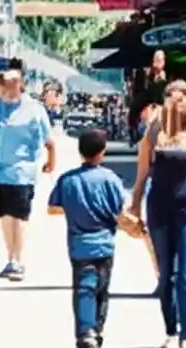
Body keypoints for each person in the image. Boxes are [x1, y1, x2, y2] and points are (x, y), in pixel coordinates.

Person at [128, 80, 186, 348]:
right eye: (170, 98)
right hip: (159, 207)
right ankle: (171, 328)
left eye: (181, 99)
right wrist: (134, 204)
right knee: (165, 275)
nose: (176, 104)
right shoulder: (154, 131)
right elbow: (142, 172)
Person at [0, 69, 56, 281]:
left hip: (22, 171)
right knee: (5, 216)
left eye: (7, 86)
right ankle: (10, 257)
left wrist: (51, 162)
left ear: (19, 85)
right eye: (1, 87)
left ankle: (18, 261)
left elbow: (49, 140)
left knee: (19, 216)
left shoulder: (34, 109)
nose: (3, 91)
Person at [48, 128, 128, 348]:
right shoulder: (111, 179)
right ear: (102, 152)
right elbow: (123, 211)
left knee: (83, 288)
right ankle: (96, 330)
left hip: (78, 245)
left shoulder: (68, 180)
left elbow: (53, 208)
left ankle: (85, 331)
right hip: (104, 244)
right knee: (101, 291)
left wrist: (72, 210)